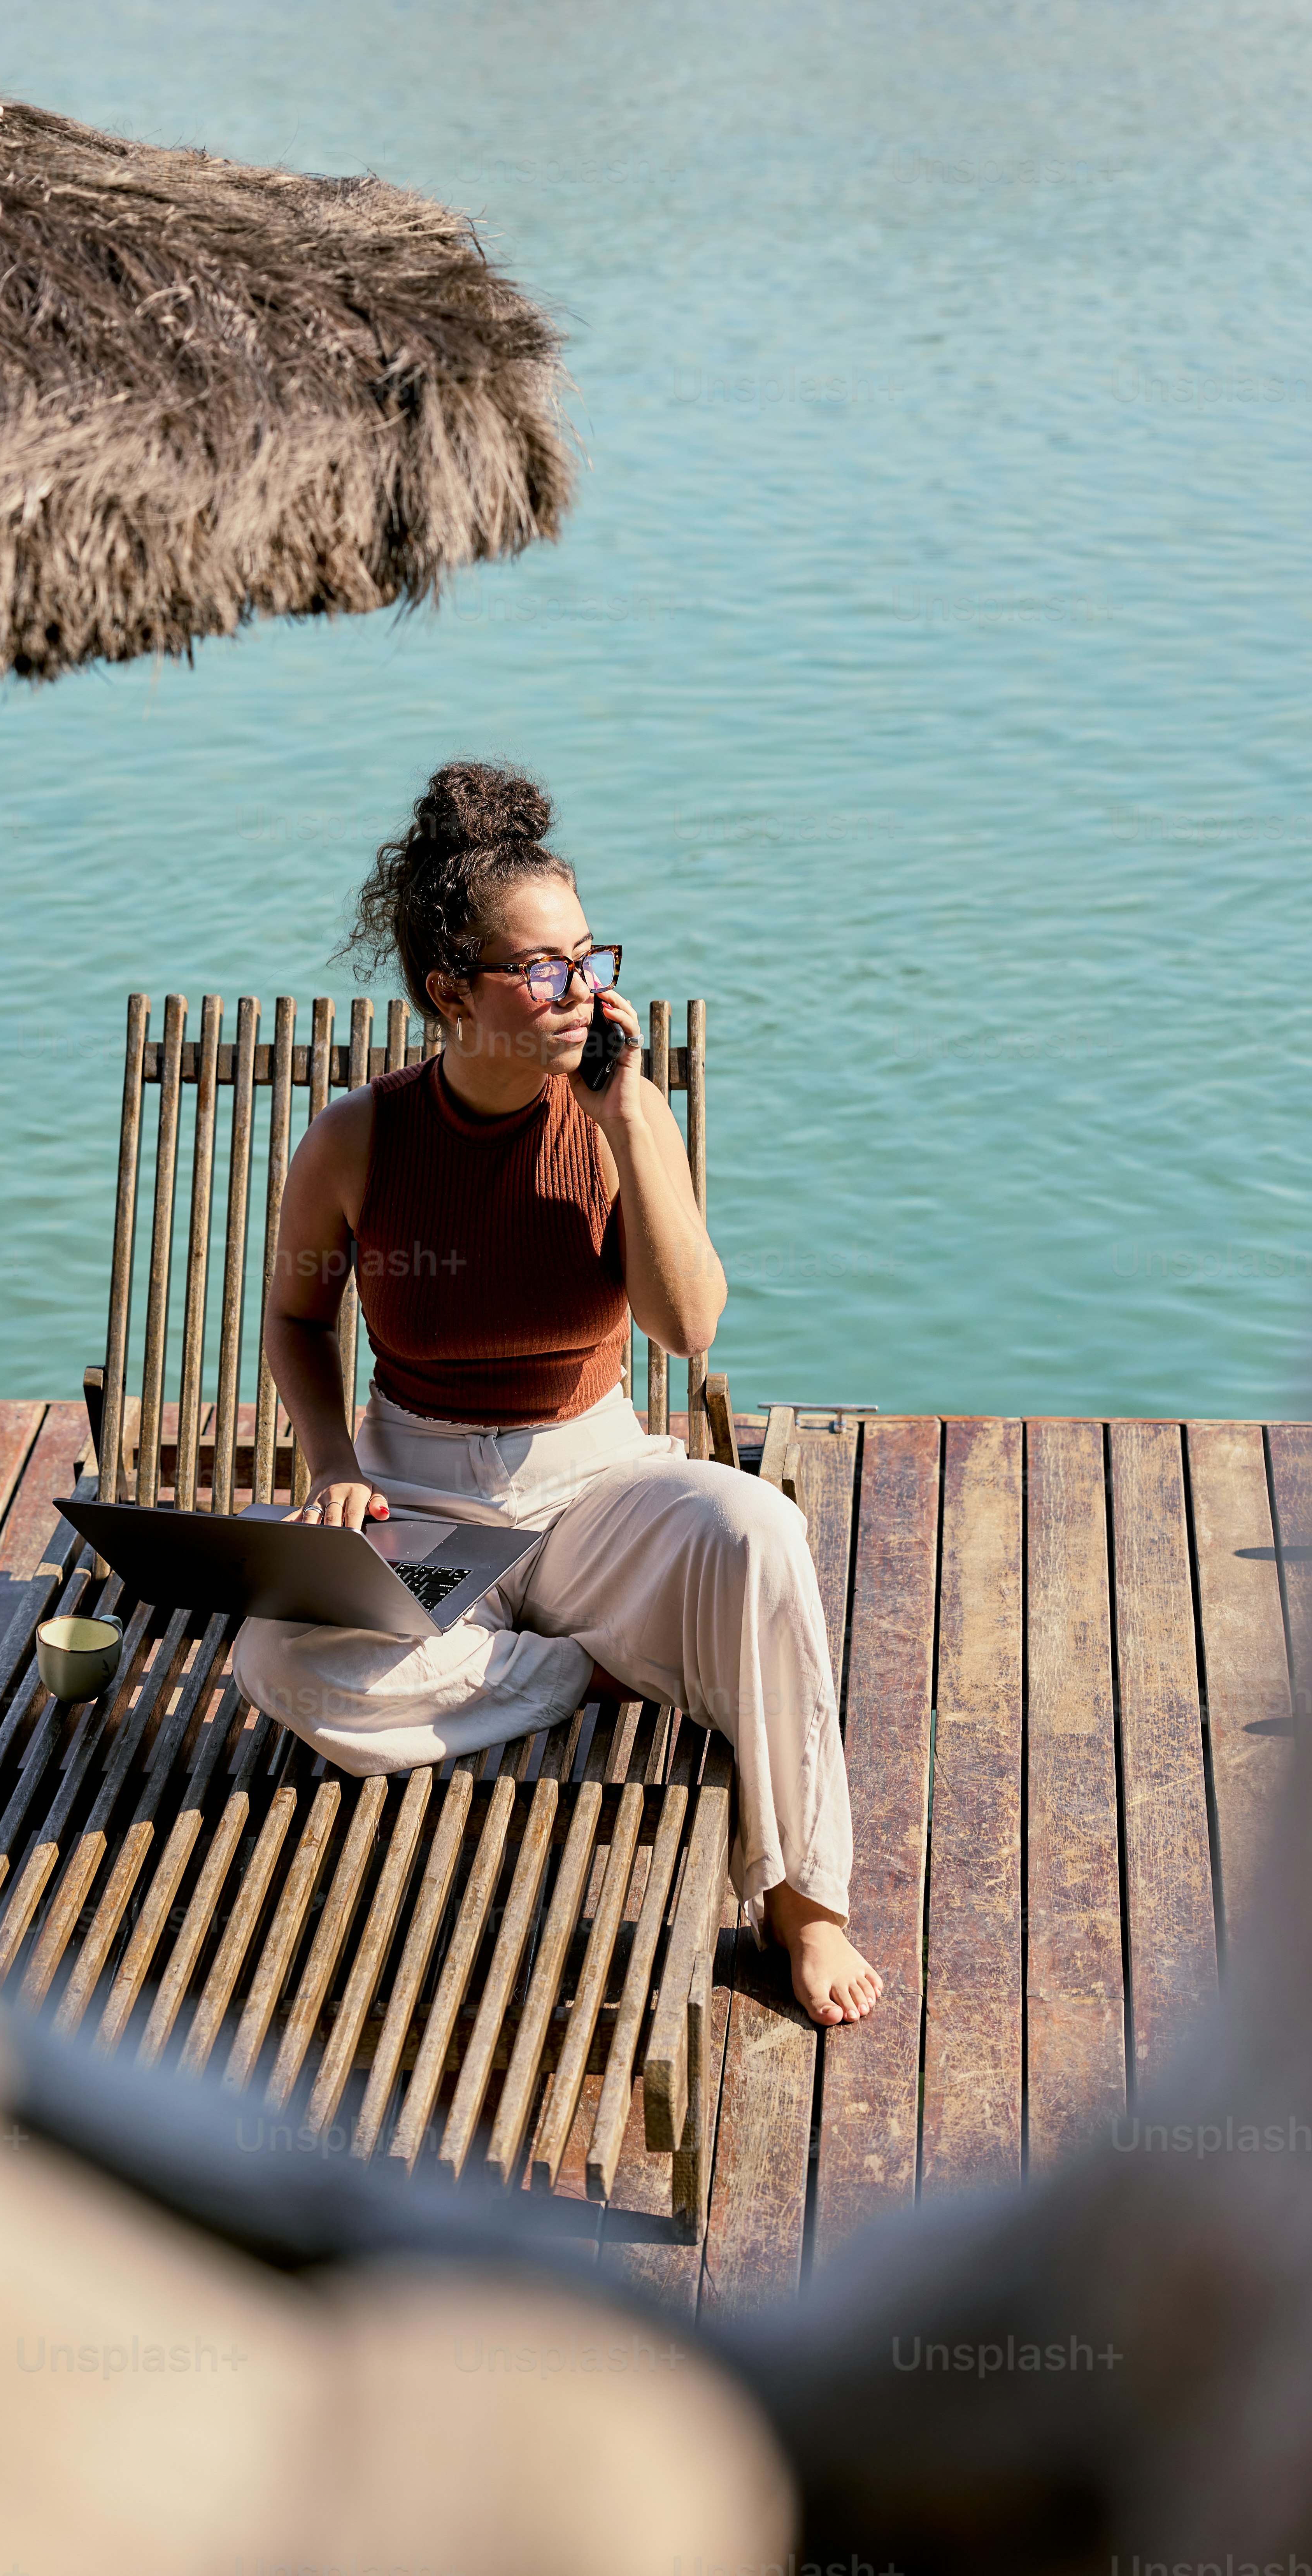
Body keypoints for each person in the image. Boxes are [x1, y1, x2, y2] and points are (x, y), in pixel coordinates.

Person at [230, 760, 880, 2027]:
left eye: (590, 958)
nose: (582, 993)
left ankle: (803, 1899)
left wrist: (628, 1112)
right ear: (448, 993)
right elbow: (296, 1317)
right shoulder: (358, 1139)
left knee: (761, 1532)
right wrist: (335, 1467)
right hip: (416, 1495)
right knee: (278, 1661)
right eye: (543, 970)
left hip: (596, 1479)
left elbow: (687, 1328)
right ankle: (576, 1673)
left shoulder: (619, 1114)